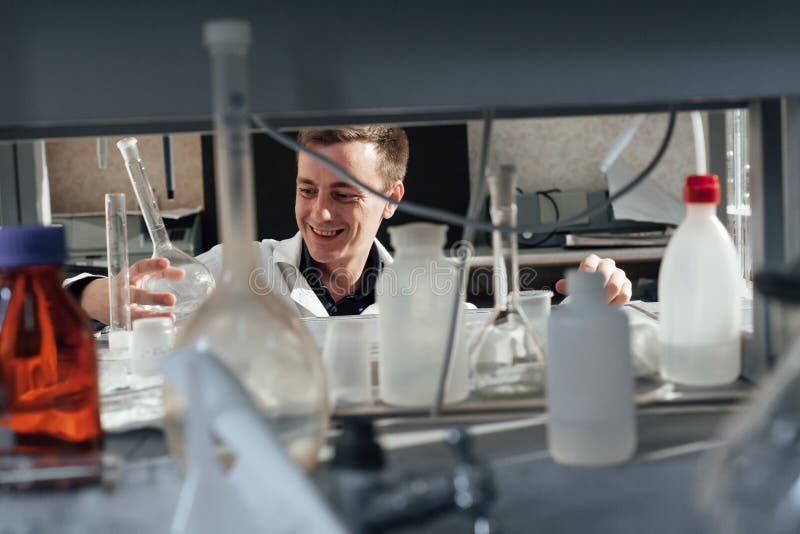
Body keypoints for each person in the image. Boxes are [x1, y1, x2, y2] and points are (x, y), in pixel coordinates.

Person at [70, 126, 632, 323]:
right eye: (307, 190)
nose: (319, 213)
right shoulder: (240, 267)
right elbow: (71, 298)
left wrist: (584, 303)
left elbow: (507, 346)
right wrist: (101, 298)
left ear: (391, 200)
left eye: (345, 195)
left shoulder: (426, 295)